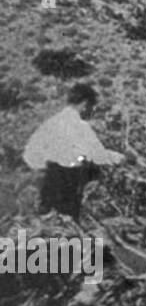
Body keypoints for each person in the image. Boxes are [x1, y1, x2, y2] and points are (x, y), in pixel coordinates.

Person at [23, 84, 126, 221]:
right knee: (68, 226)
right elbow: (98, 155)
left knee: (50, 225)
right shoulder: (79, 125)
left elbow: (30, 153)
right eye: (92, 105)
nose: (92, 109)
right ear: (84, 103)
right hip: (67, 182)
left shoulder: (52, 122)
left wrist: (45, 168)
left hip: (48, 182)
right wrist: (123, 158)